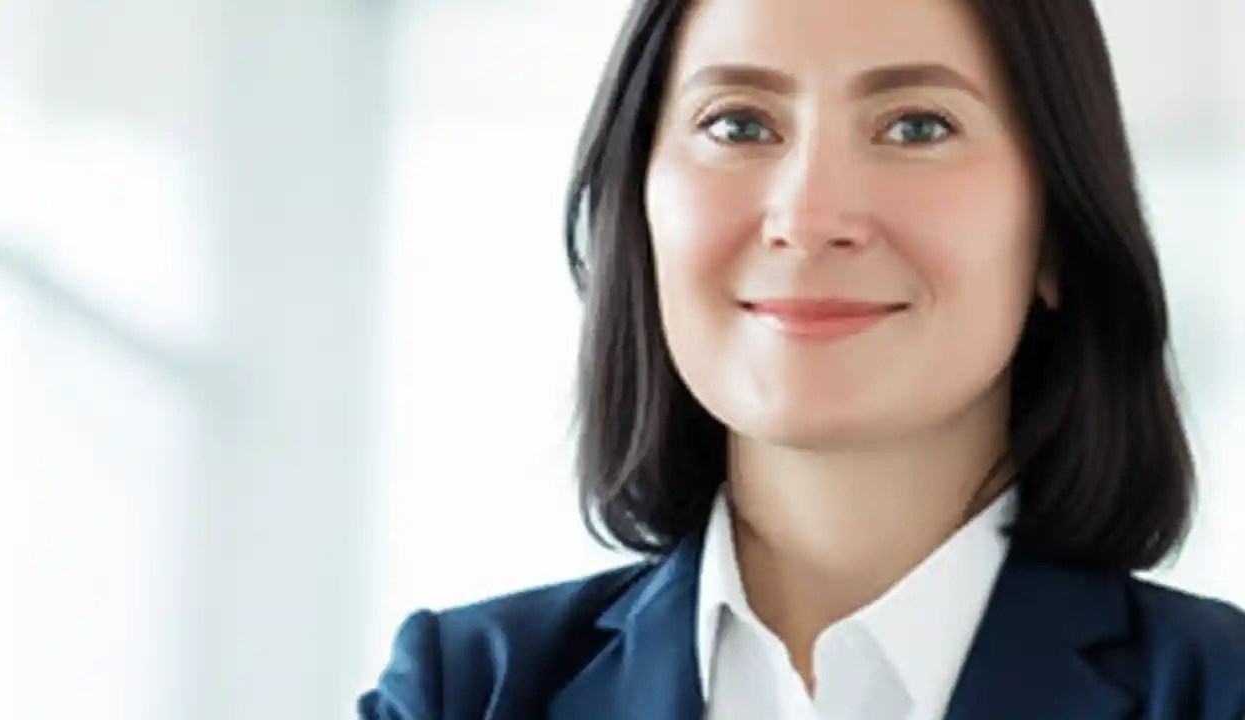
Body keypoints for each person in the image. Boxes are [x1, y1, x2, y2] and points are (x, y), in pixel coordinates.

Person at [359, 0, 1245, 717]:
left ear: (1054, 227)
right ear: (641, 212)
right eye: (739, 124)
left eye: (916, 126)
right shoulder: (466, 692)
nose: (810, 214)